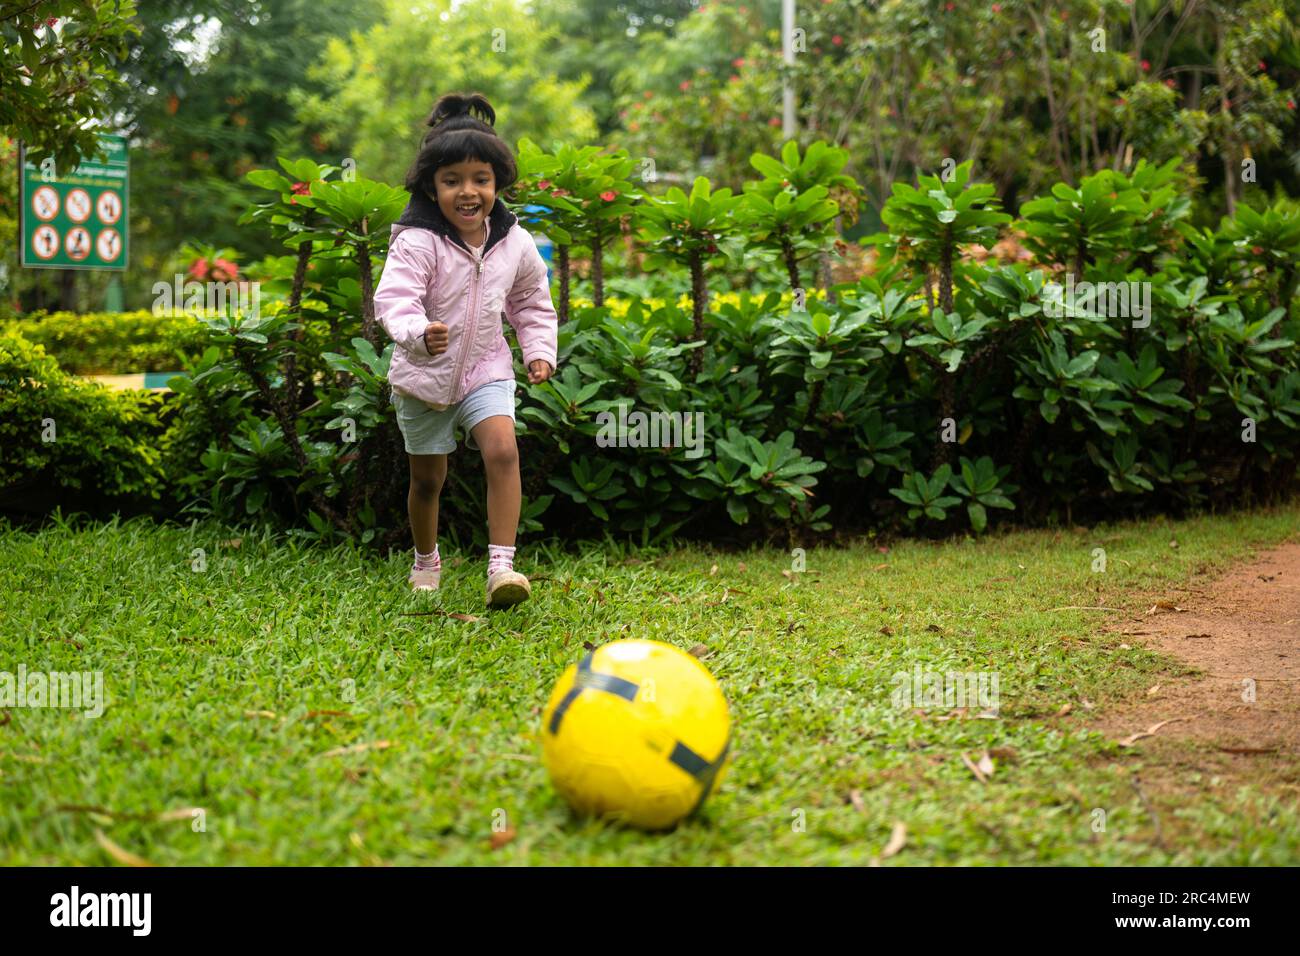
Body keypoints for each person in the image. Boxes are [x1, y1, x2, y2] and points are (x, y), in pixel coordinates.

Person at [374, 92, 558, 608]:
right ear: (432, 188)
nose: (468, 191)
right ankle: (426, 560)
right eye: (452, 180)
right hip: (423, 374)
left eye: (481, 178)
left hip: (485, 365)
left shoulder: (514, 242)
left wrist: (538, 348)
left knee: (503, 449)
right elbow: (394, 298)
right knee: (428, 480)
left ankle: (502, 567)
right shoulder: (417, 240)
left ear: (498, 183)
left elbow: (530, 299)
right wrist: (417, 331)